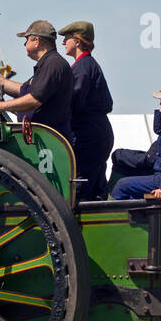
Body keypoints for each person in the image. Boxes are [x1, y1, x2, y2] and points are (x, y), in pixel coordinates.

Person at [0, 20, 73, 141]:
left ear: (36, 41)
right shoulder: (48, 63)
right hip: (41, 138)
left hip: (49, 140)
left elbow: (34, 99)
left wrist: (1, 106)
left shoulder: (53, 64)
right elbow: (24, 90)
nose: (24, 44)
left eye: (26, 40)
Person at [57, 20, 113, 200]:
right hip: (98, 133)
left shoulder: (81, 68)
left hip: (87, 136)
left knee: (80, 187)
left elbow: (72, 102)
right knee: (96, 187)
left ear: (78, 42)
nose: (63, 42)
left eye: (67, 38)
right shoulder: (89, 65)